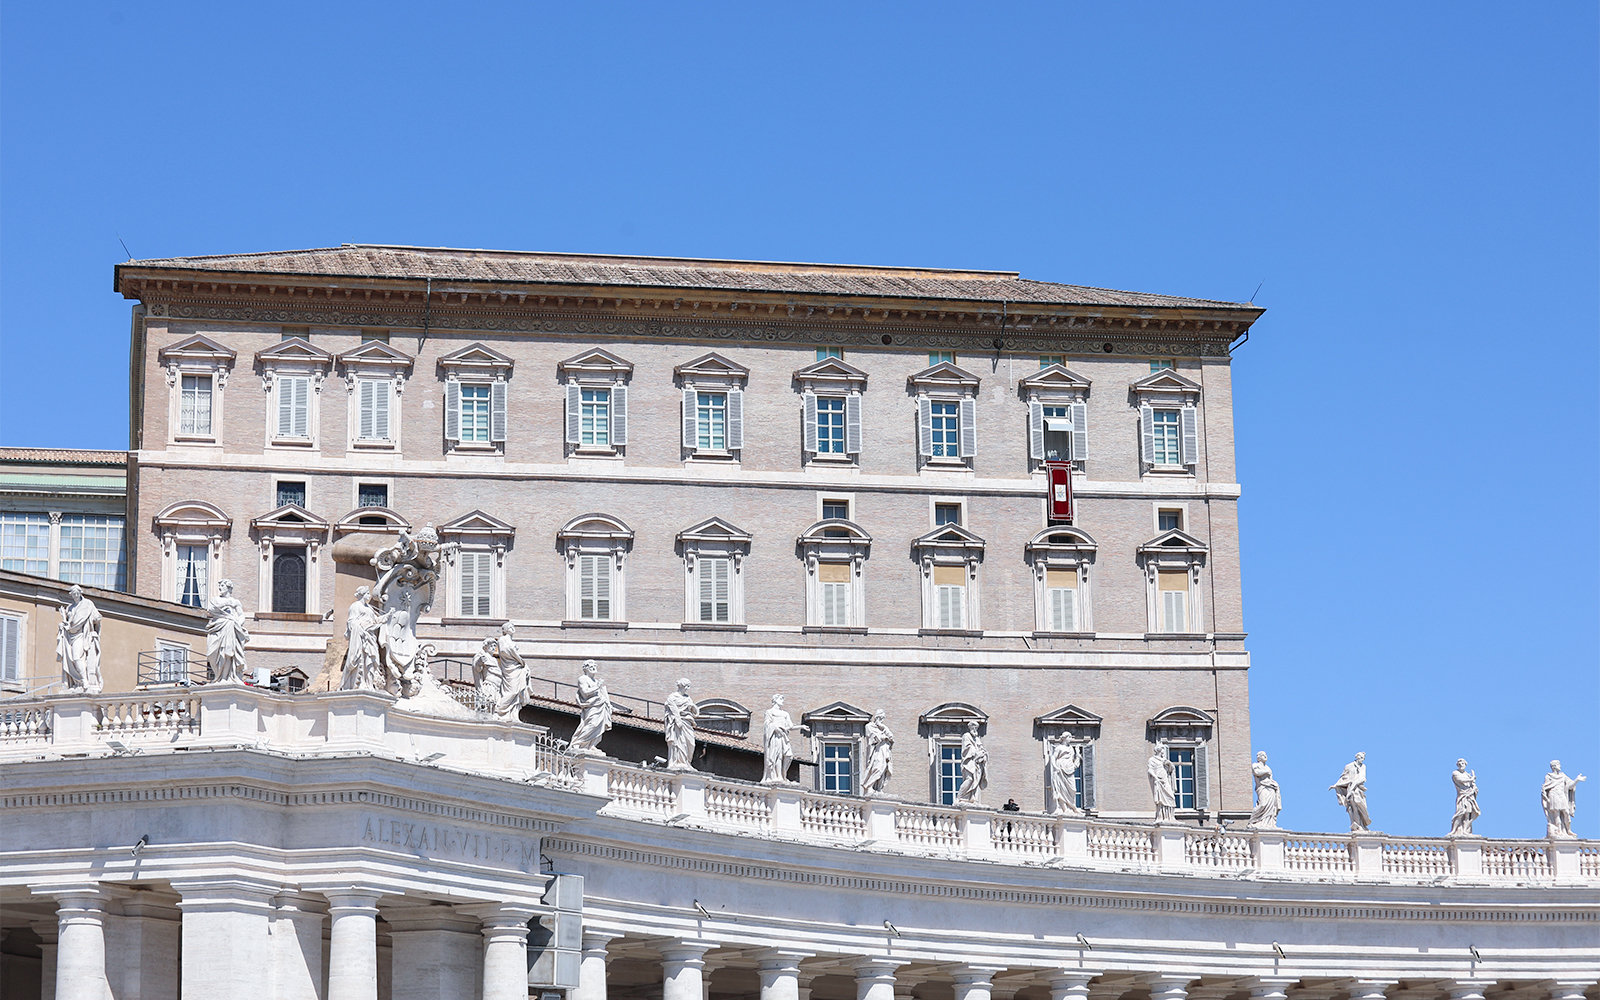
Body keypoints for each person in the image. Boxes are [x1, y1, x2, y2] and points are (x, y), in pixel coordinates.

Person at [56, 584, 103, 694]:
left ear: (80, 593)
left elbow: (97, 617)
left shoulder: (88, 604)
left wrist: (95, 619)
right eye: (73, 593)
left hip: (82, 635)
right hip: (70, 636)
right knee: (70, 660)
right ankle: (76, 683)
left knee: (77, 658)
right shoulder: (70, 607)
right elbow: (69, 623)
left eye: (77, 593)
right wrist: (63, 620)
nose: (75, 595)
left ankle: (84, 681)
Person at [204, 579, 250, 684]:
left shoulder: (235, 602)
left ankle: (225, 678)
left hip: (230, 626)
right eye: (219, 586)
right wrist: (226, 603)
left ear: (228, 587)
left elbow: (241, 615)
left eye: (222, 586)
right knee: (212, 652)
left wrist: (237, 623)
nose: (220, 588)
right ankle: (218, 675)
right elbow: (211, 610)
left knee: (227, 652)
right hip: (217, 627)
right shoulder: (215, 600)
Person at [340, 587, 382, 691]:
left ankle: (369, 683)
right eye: (367, 593)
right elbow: (351, 622)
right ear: (362, 594)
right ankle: (359, 683)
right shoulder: (355, 606)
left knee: (371, 659)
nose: (369, 595)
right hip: (360, 637)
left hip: (370, 637)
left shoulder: (369, 608)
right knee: (361, 659)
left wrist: (388, 616)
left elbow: (375, 621)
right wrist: (361, 629)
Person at [569, 660, 613, 755]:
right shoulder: (583, 679)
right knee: (592, 724)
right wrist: (597, 686)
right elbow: (584, 692)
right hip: (591, 706)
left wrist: (609, 705)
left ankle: (591, 745)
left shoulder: (596, 681)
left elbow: (603, 694)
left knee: (599, 726)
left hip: (601, 706)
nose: (593, 668)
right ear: (585, 669)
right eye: (590, 666)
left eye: (594, 666)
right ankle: (578, 742)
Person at [761, 694, 807, 784]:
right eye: (781, 699)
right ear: (775, 700)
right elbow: (767, 725)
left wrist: (802, 726)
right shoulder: (769, 712)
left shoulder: (785, 714)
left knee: (788, 755)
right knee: (777, 756)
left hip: (783, 736)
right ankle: (778, 776)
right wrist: (776, 728)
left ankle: (783, 774)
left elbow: (790, 726)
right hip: (774, 736)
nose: (783, 701)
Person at [1542, 760, 1587, 839]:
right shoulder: (1548, 776)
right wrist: (1545, 797)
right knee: (1557, 814)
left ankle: (1568, 830)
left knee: (1566, 812)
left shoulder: (1563, 776)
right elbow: (1545, 788)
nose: (1560, 766)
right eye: (1558, 764)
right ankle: (1559, 831)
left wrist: (1577, 780)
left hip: (1562, 795)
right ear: (1554, 766)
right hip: (1553, 795)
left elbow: (1570, 786)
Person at [1329, 751, 1371, 832]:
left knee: (1361, 807)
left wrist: (1355, 783)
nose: (1362, 759)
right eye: (1361, 757)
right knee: (1353, 806)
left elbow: (1362, 778)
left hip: (1358, 789)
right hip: (1351, 790)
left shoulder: (1363, 766)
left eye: (1363, 758)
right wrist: (1336, 785)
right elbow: (1343, 777)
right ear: (1357, 757)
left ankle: (1361, 824)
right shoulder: (1349, 766)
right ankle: (1357, 825)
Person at [664, 678, 698, 770]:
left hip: (687, 723)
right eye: (687, 686)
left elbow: (694, 712)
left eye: (688, 686)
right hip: (677, 723)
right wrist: (678, 720)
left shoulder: (688, 698)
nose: (688, 688)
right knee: (679, 742)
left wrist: (693, 707)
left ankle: (687, 762)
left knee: (691, 743)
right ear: (682, 686)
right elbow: (672, 709)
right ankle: (679, 762)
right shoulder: (672, 697)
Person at [1045, 735, 1083, 816]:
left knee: (1073, 789)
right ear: (1065, 738)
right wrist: (1055, 767)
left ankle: (1072, 807)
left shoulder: (1070, 748)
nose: (1071, 739)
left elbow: (1073, 760)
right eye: (1069, 737)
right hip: (1061, 768)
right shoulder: (1059, 748)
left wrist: (1077, 753)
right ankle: (1064, 808)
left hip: (1069, 769)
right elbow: (1053, 757)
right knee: (1061, 789)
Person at [861, 709, 894, 795]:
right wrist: (882, 737)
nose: (882, 720)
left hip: (885, 751)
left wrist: (883, 727)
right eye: (881, 718)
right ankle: (869, 786)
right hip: (877, 751)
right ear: (877, 717)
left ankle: (878, 788)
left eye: (883, 718)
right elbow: (872, 738)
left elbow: (891, 736)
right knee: (878, 768)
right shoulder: (869, 726)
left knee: (883, 769)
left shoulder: (883, 728)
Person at [956, 720, 988, 803]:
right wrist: (976, 752)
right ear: (970, 727)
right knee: (969, 779)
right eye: (973, 727)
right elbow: (967, 748)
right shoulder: (966, 736)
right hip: (969, 761)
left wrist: (983, 753)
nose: (975, 729)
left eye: (976, 727)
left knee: (975, 780)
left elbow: (981, 747)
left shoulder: (976, 738)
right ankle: (960, 797)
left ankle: (972, 798)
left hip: (976, 762)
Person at [1249, 751, 1282, 829]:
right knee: (1263, 804)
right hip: (1262, 787)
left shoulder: (1268, 767)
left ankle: (1268, 823)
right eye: (1263, 755)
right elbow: (1256, 772)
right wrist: (1266, 772)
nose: (1265, 756)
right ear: (1259, 757)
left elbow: (1270, 778)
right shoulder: (1255, 765)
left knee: (1271, 806)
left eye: (1265, 755)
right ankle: (1253, 820)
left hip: (1270, 787)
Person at [1449, 759, 1480, 837]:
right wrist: (1471, 779)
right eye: (1459, 763)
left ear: (1465, 764)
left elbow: (1473, 786)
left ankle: (1465, 830)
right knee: (1460, 812)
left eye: (1463, 763)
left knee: (1468, 814)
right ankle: (1454, 830)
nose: (1461, 764)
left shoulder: (1468, 774)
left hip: (1469, 796)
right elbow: (1460, 780)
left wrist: (1474, 788)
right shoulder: (1455, 773)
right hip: (1462, 796)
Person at [1148, 742, 1177, 822]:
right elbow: (1150, 769)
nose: (1163, 752)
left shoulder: (1164, 760)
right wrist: (1155, 777)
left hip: (1165, 780)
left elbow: (1171, 769)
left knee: (1171, 798)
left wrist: (1170, 765)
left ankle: (1170, 817)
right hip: (1159, 781)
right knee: (1161, 800)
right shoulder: (1152, 760)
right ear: (1159, 750)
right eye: (1163, 750)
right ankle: (1162, 817)